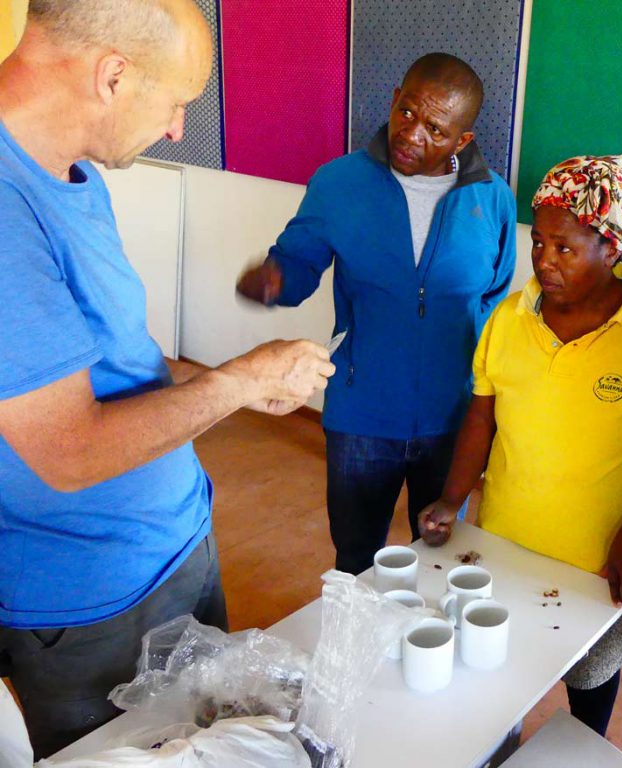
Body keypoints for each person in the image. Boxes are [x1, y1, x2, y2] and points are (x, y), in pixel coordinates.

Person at [0, 0, 334, 757]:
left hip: (168, 544)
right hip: (92, 601)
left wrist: (219, 383)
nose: (180, 128)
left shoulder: (69, 170)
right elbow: (71, 451)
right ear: (114, 76)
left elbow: (115, 360)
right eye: (178, 101)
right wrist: (237, 382)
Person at [419, 154, 622, 735]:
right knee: (496, 664)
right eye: (539, 242)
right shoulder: (510, 317)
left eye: (565, 248)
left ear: (612, 249)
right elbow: (482, 417)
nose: (544, 261)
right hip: (504, 541)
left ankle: (585, 743)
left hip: (601, 558)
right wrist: (453, 498)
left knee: (590, 677)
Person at [236, 52, 517, 575]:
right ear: (393, 100)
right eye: (406, 111)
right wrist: (275, 281)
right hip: (361, 414)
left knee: (438, 562)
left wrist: (482, 392)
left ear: (462, 140)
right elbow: (297, 262)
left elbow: (494, 298)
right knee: (355, 560)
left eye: (435, 129)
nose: (411, 134)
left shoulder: (492, 199)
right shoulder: (339, 183)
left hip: (452, 418)